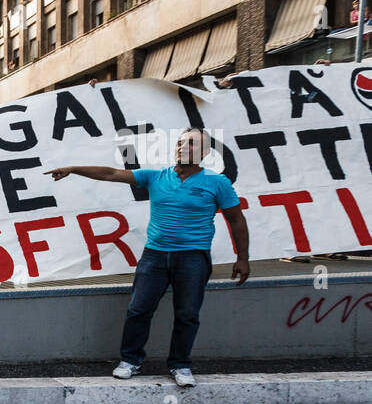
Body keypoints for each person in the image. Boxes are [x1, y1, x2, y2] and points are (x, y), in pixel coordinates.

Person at [44, 128, 250, 388]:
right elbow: (111, 173)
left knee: (187, 314)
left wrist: (243, 258)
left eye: (192, 144)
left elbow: (236, 220)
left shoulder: (218, 182)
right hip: (155, 256)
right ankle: (130, 361)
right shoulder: (156, 177)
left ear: (205, 153)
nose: (184, 147)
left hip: (193, 259)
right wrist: (73, 168)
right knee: (138, 310)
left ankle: (180, 365)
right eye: (180, 142)